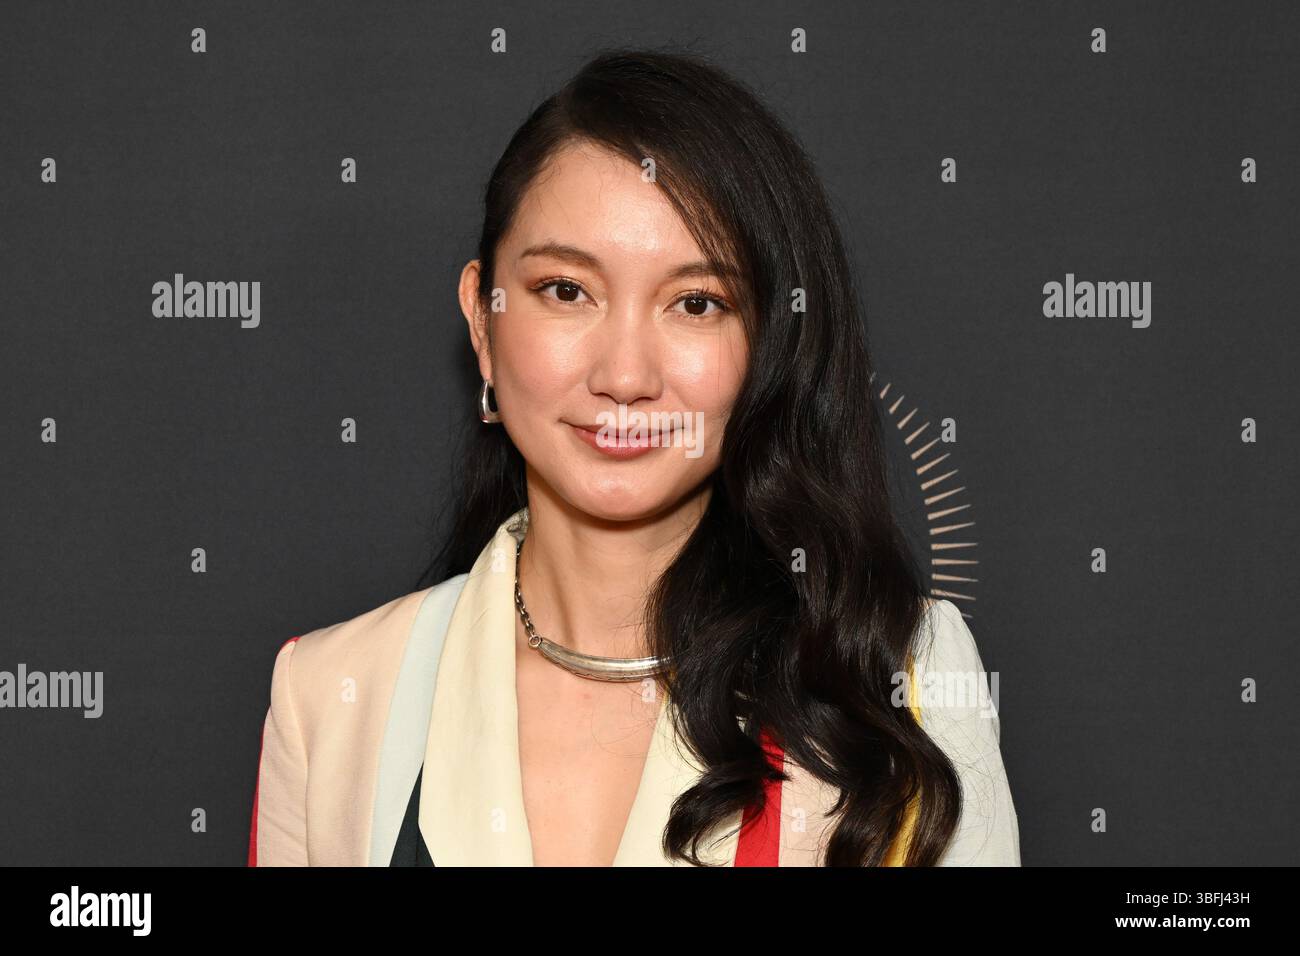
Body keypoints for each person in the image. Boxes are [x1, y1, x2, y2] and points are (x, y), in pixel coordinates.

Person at [248, 47, 1020, 867]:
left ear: (769, 345)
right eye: (566, 291)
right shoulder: (331, 696)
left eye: (695, 303)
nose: (624, 376)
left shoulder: (900, 676)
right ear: (483, 321)